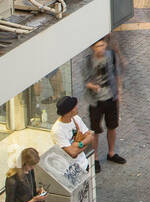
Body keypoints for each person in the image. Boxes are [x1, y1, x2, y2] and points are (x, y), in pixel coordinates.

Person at [83, 37, 126, 167]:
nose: (101, 48)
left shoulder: (111, 56)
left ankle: (111, 153)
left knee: (112, 126)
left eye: (102, 45)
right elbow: (86, 81)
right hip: (95, 101)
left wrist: (119, 92)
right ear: (92, 48)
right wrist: (93, 87)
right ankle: (95, 158)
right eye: (97, 46)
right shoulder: (88, 62)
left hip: (111, 98)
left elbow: (116, 74)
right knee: (95, 130)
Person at [51, 95, 98, 173]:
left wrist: (79, 144)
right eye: (74, 106)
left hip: (84, 164)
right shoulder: (57, 131)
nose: (77, 107)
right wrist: (85, 143)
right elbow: (72, 153)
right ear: (69, 112)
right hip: (71, 170)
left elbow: (90, 136)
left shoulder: (76, 118)